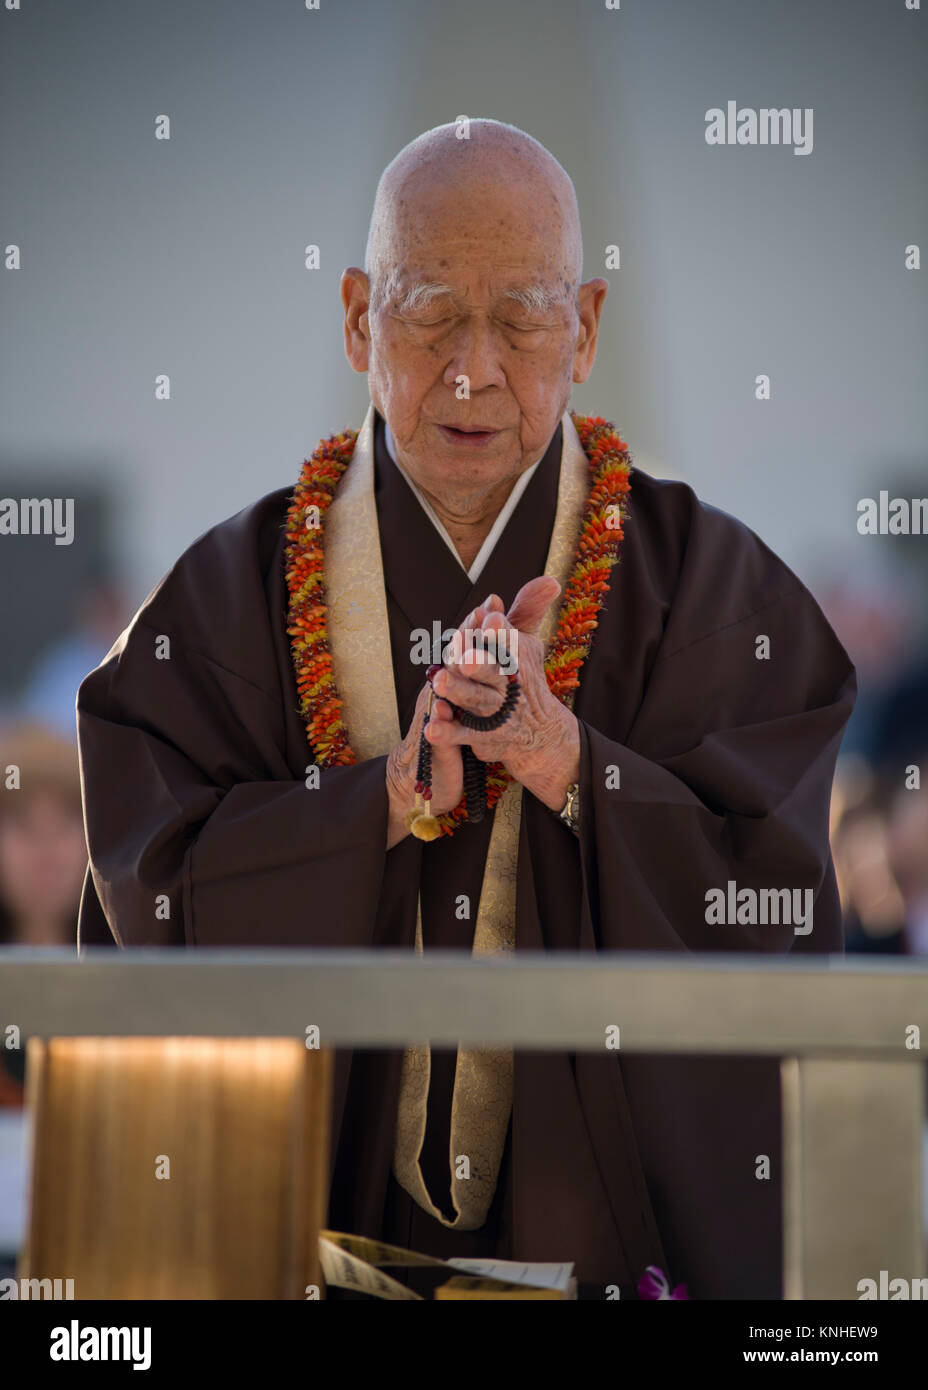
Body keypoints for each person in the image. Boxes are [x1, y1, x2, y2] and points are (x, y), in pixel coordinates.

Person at [75, 119, 856, 1299]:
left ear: (585, 326)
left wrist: (571, 766)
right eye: (430, 309)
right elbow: (147, 885)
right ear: (355, 317)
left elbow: (780, 905)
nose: (472, 368)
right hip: (305, 1244)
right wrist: (374, 806)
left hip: (611, 1243)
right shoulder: (226, 596)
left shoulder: (707, 587)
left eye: (524, 317)